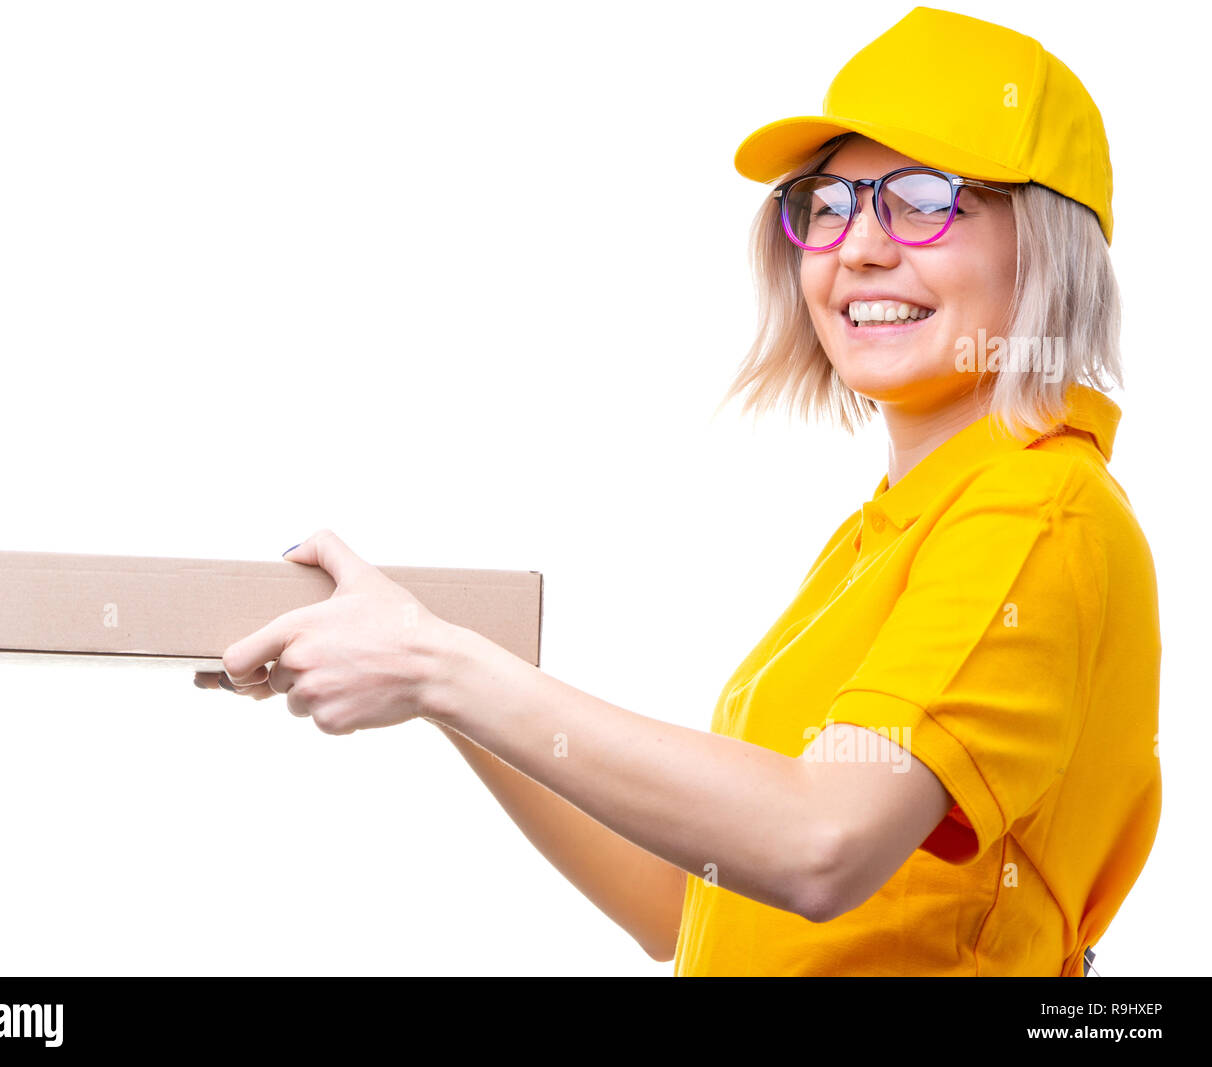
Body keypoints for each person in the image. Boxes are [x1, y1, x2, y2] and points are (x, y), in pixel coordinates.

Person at [194, 6, 1161, 977]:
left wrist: (439, 664)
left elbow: (819, 842)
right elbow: (678, 904)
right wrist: (449, 670)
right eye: (827, 203)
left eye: (920, 197)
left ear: (1045, 245)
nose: (857, 246)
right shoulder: (892, 531)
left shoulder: (1032, 514)